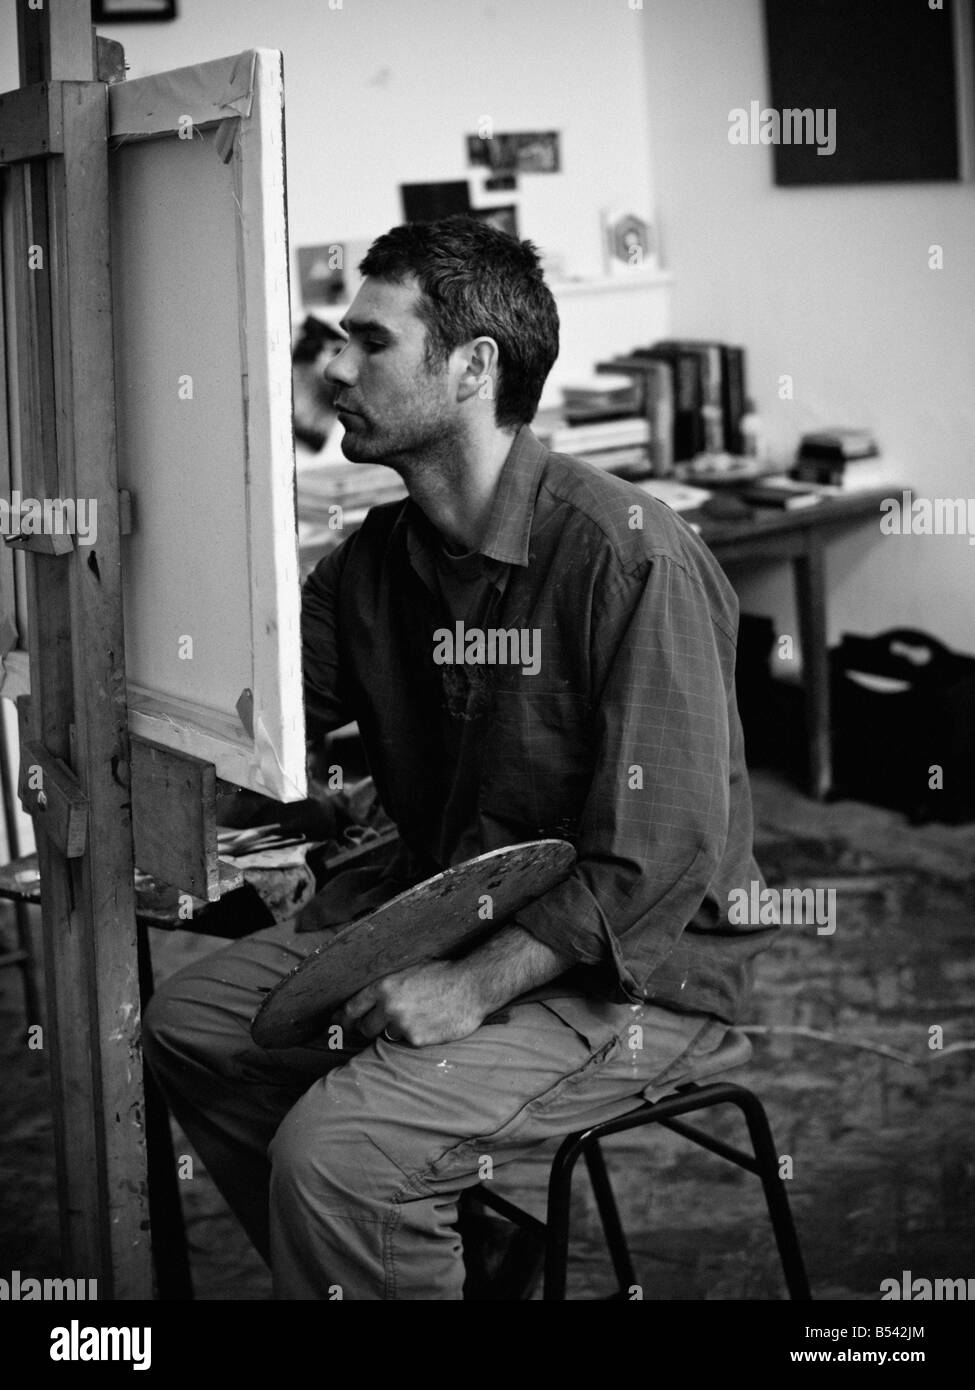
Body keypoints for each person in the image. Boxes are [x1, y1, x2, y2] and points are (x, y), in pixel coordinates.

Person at [143, 215, 776, 1301]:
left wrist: (472, 985)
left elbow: (658, 860)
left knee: (335, 1158)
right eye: (341, 338)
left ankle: (380, 1217)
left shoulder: (628, 555)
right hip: (451, 911)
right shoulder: (370, 566)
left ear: (473, 367)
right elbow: (261, 733)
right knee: (191, 1023)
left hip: (638, 974)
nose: (334, 364)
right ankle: (458, 1258)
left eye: (370, 341)